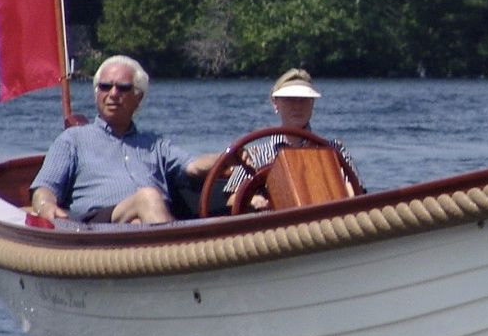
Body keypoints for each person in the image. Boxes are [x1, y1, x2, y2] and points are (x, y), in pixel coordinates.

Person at [27, 55, 222, 224]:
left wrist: (234, 156)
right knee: (147, 197)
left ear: (138, 97)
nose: (113, 94)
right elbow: (45, 188)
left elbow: (194, 166)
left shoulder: (156, 144)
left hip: (144, 223)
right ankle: (182, 258)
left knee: (140, 218)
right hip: (95, 225)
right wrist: (45, 205)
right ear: (96, 95)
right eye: (105, 87)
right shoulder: (72, 140)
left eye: (123, 88)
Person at [225, 67, 359, 210]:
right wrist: (253, 199)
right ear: (275, 103)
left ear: (312, 103)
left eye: (304, 99)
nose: (297, 106)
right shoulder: (254, 155)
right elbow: (231, 199)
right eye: (290, 99)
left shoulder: (335, 150)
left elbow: (355, 191)